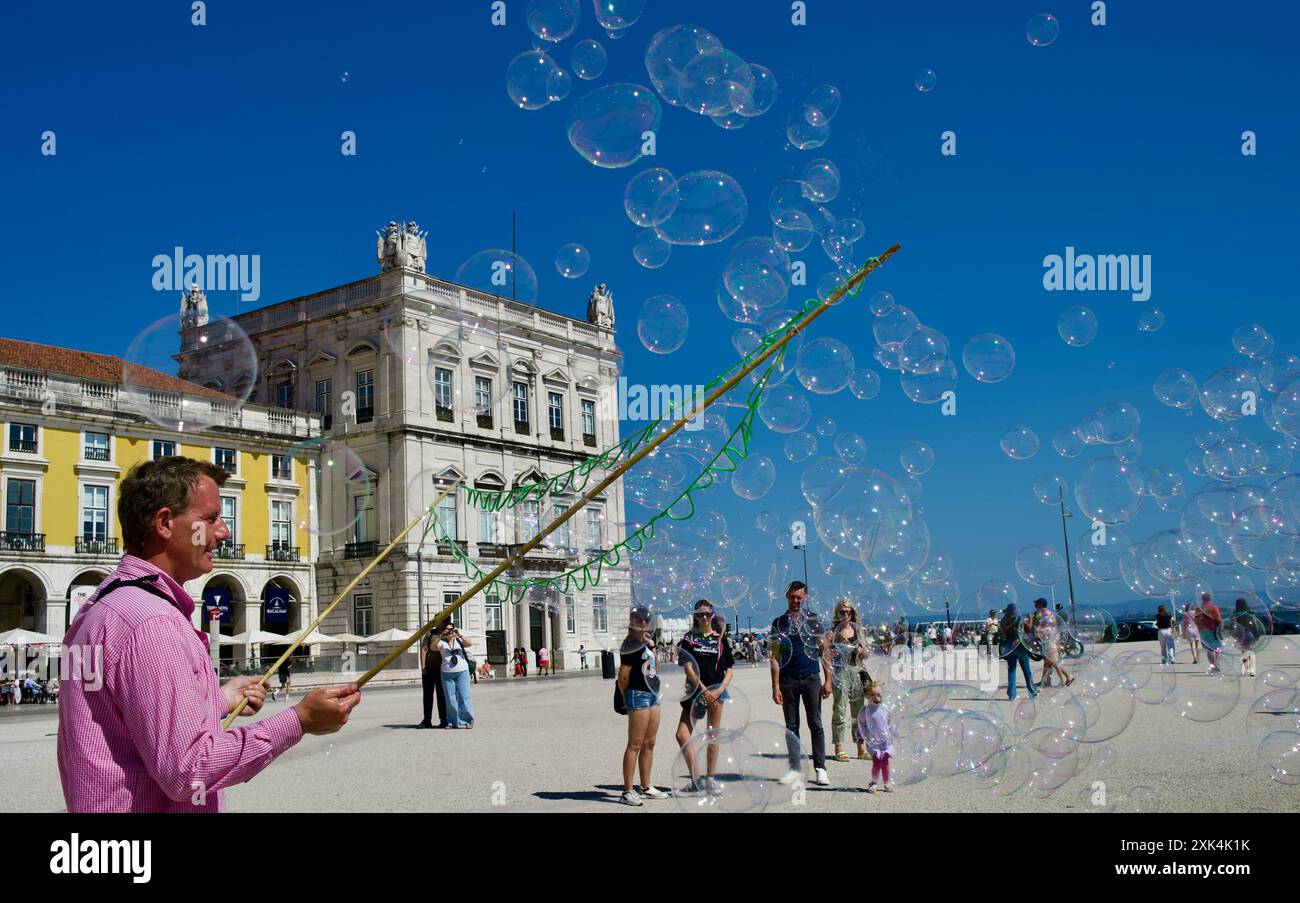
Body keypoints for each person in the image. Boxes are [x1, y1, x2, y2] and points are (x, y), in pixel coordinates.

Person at [57, 457, 360, 812]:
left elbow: (134, 721)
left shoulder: (105, 603)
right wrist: (299, 720)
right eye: (211, 518)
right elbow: (189, 771)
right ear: (165, 523)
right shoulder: (152, 623)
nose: (224, 532)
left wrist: (219, 699)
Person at [769, 581, 832, 787]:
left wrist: (828, 680)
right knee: (791, 727)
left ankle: (820, 768)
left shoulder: (813, 620)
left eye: (799, 597)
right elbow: (775, 656)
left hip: (811, 678)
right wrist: (775, 686)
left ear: (804, 597)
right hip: (788, 680)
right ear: (786, 596)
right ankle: (794, 769)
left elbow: (825, 651)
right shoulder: (779, 623)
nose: (795, 601)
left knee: (816, 725)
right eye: (792, 597)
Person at [675, 600, 735, 794]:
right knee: (682, 734)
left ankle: (710, 779)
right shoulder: (689, 638)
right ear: (695, 616)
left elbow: (729, 668)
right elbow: (688, 668)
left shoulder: (720, 639)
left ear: (713, 615)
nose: (704, 617)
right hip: (695, 691)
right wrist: (703, 690)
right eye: (700, 614)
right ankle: (696, 779)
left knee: (713, 736)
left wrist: (719, 689)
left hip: (717, 691)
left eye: (708, 613)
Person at [618, 606, 667, 806]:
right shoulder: (630, 643)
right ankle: (627, 791)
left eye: (645, 619)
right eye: (639, 619)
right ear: (633, 621)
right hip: (638, 694)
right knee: (635, 743)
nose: (643, 622)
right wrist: (627, 698)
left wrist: (652, 647)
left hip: (653, 694)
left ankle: (646, 786)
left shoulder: (645, 643)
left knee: (650, 742)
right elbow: (623, 676)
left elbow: (657, 667)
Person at [827, 598, 869, 763]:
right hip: (840, 672)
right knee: (840, 708)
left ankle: (860, 748)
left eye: (848, 612)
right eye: (842, 611)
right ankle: (839, 747)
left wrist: (860, 650)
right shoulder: (832, 632)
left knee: (858, 712)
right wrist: (839, 648)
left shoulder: (858, 631)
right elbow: (827, 656)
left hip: (856, 670)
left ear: (852, 614)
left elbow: (867, 653)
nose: (845, 614)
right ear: (837, 613)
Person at [857, 682, 894, 793]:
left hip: (886, 742)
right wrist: (860, 736)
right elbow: (861, 724)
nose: (877, 698)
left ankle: (887, 782)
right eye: (874, 695)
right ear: (868, 696)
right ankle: (873, 782)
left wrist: (891, 734)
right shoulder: (865, 711)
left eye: (880, 695)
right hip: (873, 742)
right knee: (877, 763)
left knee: (886, 763)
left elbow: (890, 723)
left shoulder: (885, 709)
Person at [437, 622, 474, 729]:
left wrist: (459, 634)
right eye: (447, 629)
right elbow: (433, 647)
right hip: (447, 672)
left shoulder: (458, 640)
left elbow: (469, 643)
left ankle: (467, 720)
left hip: (462, 671)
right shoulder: (441, 642)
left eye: (451, 629)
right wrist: (441, 635)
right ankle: (452, 722)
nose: (450, 631)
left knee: (464, 696)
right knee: (450, 698)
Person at [999, 604, 1038, 701]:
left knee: (1011, 670)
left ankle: (1011, 694)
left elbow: (1004, 634)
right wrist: (1031, 619)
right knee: (1026, 670)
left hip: (1009, 648)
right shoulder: (1018, 619)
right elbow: (1028, 629)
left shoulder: (1003, 621)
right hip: (1020, 646)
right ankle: (1032, 691)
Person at [1032, 599, 1072, 688]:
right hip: (1047, 640)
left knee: (1054, 662)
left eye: (1037, 603)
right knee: (1047, 663)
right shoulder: (1045, 613)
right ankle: (1044, 681)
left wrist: (1037, 629)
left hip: (1049, 641)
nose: (1035, 605)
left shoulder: (1046, 614)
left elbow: (1049, 628)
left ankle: (1066, 678)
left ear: (1041, 604)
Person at [418, 630, 448, 729]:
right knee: (427, 695)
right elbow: (424, 648)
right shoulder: (430, 633)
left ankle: (444, 720)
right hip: (429, 668)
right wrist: (423, 666)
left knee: (442, 695)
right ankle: (427, 720)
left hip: (442, 669)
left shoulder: (448, 632)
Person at [1195, 593, 1223, 674]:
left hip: (1202, 632)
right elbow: (1218, 619)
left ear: (1202, 599)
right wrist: (1222, 628)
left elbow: (1196, 621)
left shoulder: (1198, 608)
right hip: (1213, 630)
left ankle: (1213, 665)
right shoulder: (1213, 607)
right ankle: (1216, 664)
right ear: (1209, 599)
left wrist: (1200, 629)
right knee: (1218, 648)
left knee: (1209, 650)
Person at [1232, 598, 1258, 678]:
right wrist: (1256, 634)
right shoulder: (1250, 613)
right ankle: (1252, 671)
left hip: (1240, 635)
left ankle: (1245, 670)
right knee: (1251, 652)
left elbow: (1235, 626)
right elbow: (1255, 625)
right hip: (1249, 634)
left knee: (1243, 653)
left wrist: (1234, 635)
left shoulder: (1235, 614)